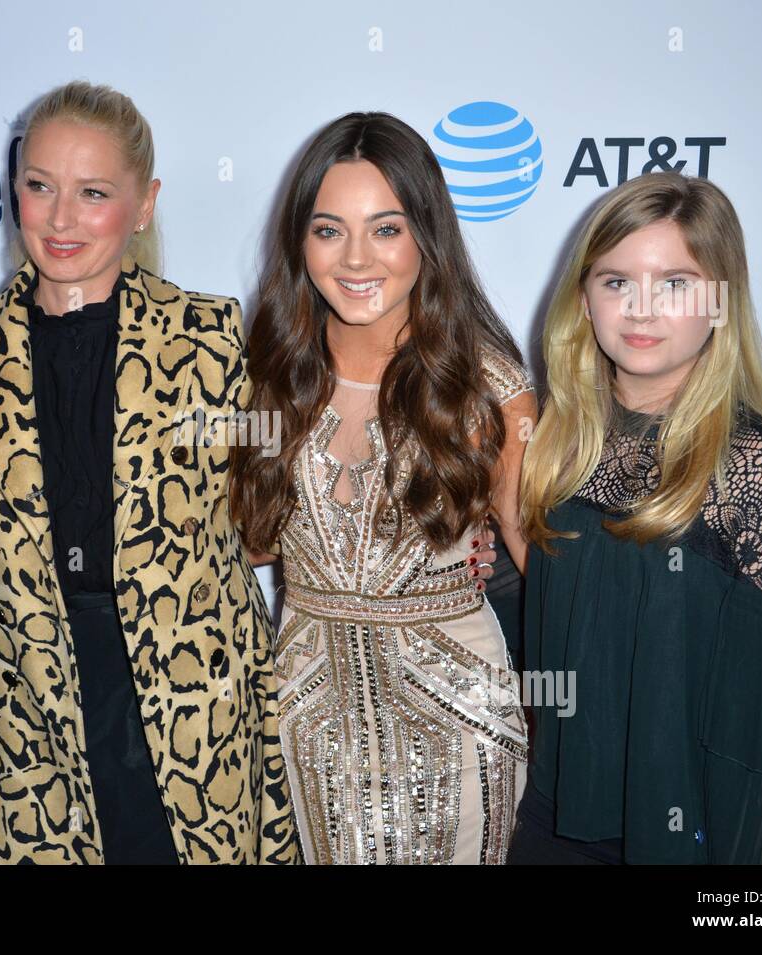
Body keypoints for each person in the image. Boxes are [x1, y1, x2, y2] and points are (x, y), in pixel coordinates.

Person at [0, 80, 299, 864]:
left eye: (93, 193)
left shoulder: (211, 340)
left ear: (144, 204)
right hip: (33, 709)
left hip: (197, 705)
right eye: (40, 186)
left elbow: (271, 516)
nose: (61, 219)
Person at [229, 111, 534, 864]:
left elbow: (546, 562)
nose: (357, 258)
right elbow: (249, 543)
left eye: (386, 229)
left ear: (427, 236)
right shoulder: (266, 378)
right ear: (300, 242)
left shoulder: (490, 390)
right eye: (329, 230)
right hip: (306, 722)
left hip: (462, 723)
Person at [509, 170, 762, 864]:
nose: (641, 309)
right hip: (554, 821)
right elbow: (555, 624)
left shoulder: (750, 464)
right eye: (616, 281)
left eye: (675, 283)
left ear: (721, 301)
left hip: (687, 840)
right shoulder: (560, 439)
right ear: (584, 300)